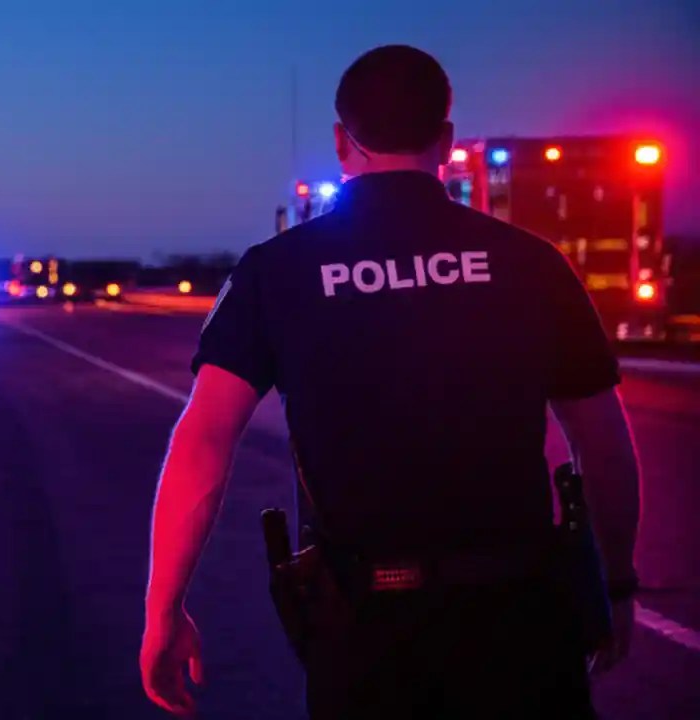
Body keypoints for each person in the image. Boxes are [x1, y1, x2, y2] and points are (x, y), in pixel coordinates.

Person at [139, 45, 641, 718]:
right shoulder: (533, 264)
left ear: (343, 142)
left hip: (367, 632)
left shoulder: (276, 270)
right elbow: (602, 439)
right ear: (446, 140)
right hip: (522, 621)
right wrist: (613, 585)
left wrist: (164, 608)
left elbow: (203, 442)